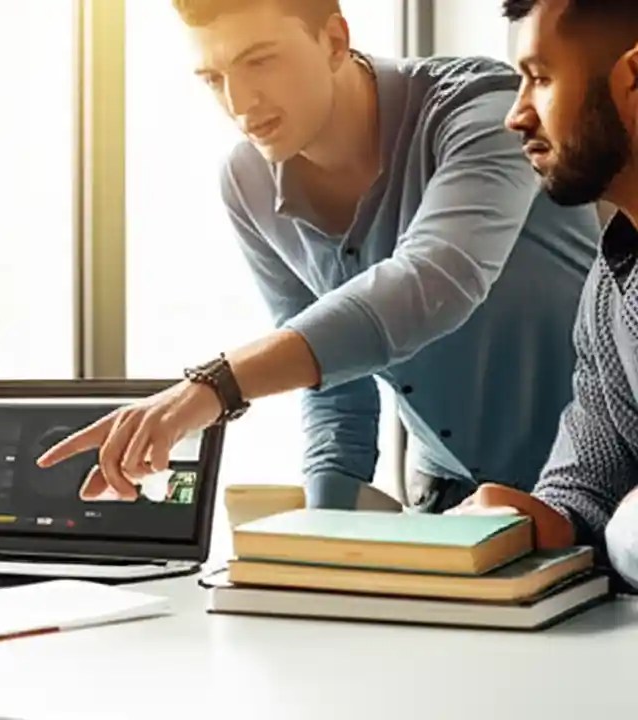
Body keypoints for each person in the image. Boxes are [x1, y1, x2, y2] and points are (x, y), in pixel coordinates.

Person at [39, 0, 601, 515]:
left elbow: (434, 281)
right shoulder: (247, 179)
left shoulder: (485, 108)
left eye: (260, 62)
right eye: (214, 79)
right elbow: (331, 383)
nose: (239, 104)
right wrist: (321, 533)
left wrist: (213, 387)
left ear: (335, 39)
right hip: (454, 504)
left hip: (603, 487)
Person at [454, 0, 638, 591]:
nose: (516, 115)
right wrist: (538, 519)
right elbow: (586, 485)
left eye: (540, 78)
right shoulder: (611, 285)